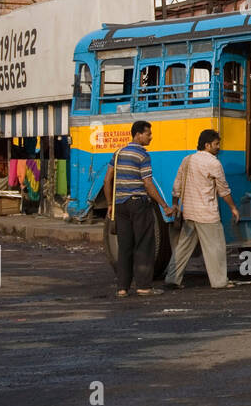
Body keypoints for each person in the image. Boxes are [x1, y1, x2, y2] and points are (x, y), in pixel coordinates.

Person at [102, 121, 171, 297]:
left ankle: (122, 288)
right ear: (138, 134)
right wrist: (164, 205)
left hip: (120, 205)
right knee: (144, 245)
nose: (150, 137)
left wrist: (110, 203)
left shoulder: (118, 154)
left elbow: (107, 180)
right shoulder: (142, 156)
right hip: (138, 204)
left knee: (125, 247)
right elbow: (148, 183)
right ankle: (143, 286)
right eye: (148, 134)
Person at [164, 129, 240, 290]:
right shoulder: (214, 163)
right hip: (207, 214)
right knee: (215, 248)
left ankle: (172, 278)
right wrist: (233, 208)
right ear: (207, 145)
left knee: (183, 248)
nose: (218, 147)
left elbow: (177, 185)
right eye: (216, 144)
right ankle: (219, 281)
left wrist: (175, 204)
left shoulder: (187, 159)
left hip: (190, 212)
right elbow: (223, 190)